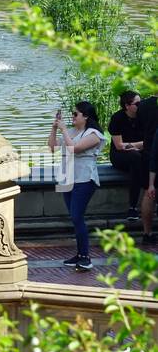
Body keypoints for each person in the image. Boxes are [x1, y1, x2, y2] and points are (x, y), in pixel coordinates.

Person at [48, 100, 105, 271]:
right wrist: (54, 128)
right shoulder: (71, 131)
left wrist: (64, 130)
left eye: (75, 114)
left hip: (84, 179)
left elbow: (74, 149)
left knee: (76, 216)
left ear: (86, 116)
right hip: (67, 178)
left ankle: (86, 257)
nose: (72, 117)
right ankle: (80, 254)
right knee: (74, 218)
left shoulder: (94, 134)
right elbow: (52, 148)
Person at [108, 89, 147, 222]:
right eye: (137, 104)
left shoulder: (144, 117)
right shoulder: (117, 118)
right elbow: (119, 146)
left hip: (139, 154)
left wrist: (133, 145)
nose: (140, 106)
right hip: (119, 156)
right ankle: (132, 207)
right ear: (127, 106)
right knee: (135, 157)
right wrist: (142, 144)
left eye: (141, 103)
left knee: (143, 159)